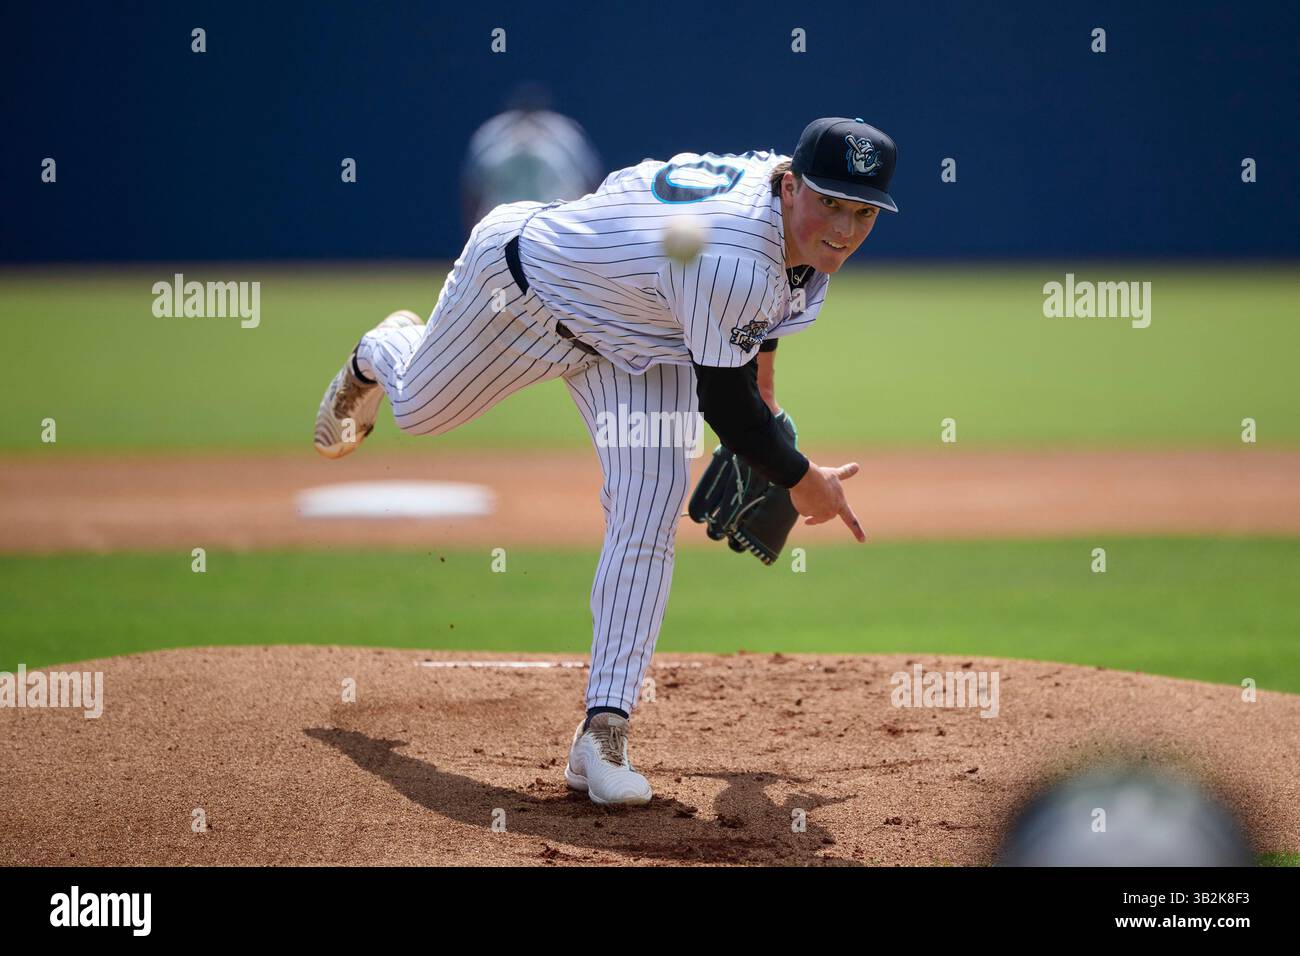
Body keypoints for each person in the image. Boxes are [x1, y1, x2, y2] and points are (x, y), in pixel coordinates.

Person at [313, 117, 899, 806]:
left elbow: (761, 329)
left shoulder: (783, 206)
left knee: (650, 505)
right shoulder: (734, 254)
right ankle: (384, 347)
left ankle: (604, 731)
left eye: (863, 212)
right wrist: (802, 481)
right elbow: (725, 403)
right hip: (523, 292)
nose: (845, 226)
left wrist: (766, 398)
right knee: (418, 411)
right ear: (793, 185)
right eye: (830, 202)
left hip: (641, 338)